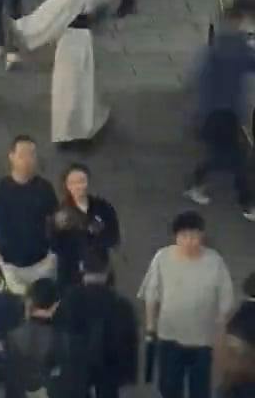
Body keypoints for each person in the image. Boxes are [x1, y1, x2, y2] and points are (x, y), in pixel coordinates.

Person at [15, 0, 108, 145]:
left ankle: (68, 133)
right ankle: (81, 128)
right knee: (81, 85)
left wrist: (24, 27)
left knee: (67, 88)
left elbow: (51, 12)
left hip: (72, 39)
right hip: (83, 38)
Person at [139, 212, 234, 398]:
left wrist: (220, 336)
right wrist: (151, 329)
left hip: (202, 340)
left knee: (200, 390)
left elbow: (225, 300)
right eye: (184, 236)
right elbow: (152, 294)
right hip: (169, 337)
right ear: (176, 237)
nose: (190, 241)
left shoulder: (215, 261)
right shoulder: (163, 257)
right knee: (169, 389)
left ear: (202, 235)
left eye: (194, 236)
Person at [184, 10, 255, 215]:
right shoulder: (235, 48)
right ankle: (247, 202)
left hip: (216, 111)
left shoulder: (217, 48)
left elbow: (197, 79)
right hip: (223, 112)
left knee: (224, 155)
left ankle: (197, 184)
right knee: (236, 157)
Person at [57, 247, 139, 398]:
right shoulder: (120, 304)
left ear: (82, 268)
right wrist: (128, 374)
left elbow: (58, 334)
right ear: (108, 270)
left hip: (76, 365)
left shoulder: (69, 299)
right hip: (109, 366)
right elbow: (129, 341)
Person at [0, 135, 58, 295]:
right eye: (22, 155)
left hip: (42, 262)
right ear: (11, 157)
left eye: (32, 155)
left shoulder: (45, 188)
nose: (28, 160)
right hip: (11, 265)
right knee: (16, 306)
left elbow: (53, 220)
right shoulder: (0, 189)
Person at [51, 163, 120, 290]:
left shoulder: (103, 207)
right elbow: (54, 245)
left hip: (98, 270)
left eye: (82, 181)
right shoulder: (60, 213)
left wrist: (96, 236)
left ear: (88, 182)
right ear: (66, 186)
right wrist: (58, 230)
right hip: (70, 274)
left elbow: (114, 236)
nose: (78, 186)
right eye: (73, 183)